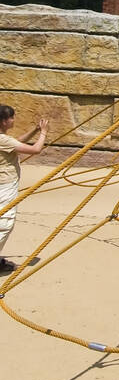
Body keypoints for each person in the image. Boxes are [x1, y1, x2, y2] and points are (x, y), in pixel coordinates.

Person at [0, 107, 48, 272]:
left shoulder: (4, 139)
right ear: (4, 121)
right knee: (5, 222)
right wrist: (43, 133)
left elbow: (16, 143)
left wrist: (35, 130)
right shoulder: (2, 139)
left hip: (4, 184)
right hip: (5, 185)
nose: (14, 120)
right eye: (12, 118)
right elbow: (35, 150)